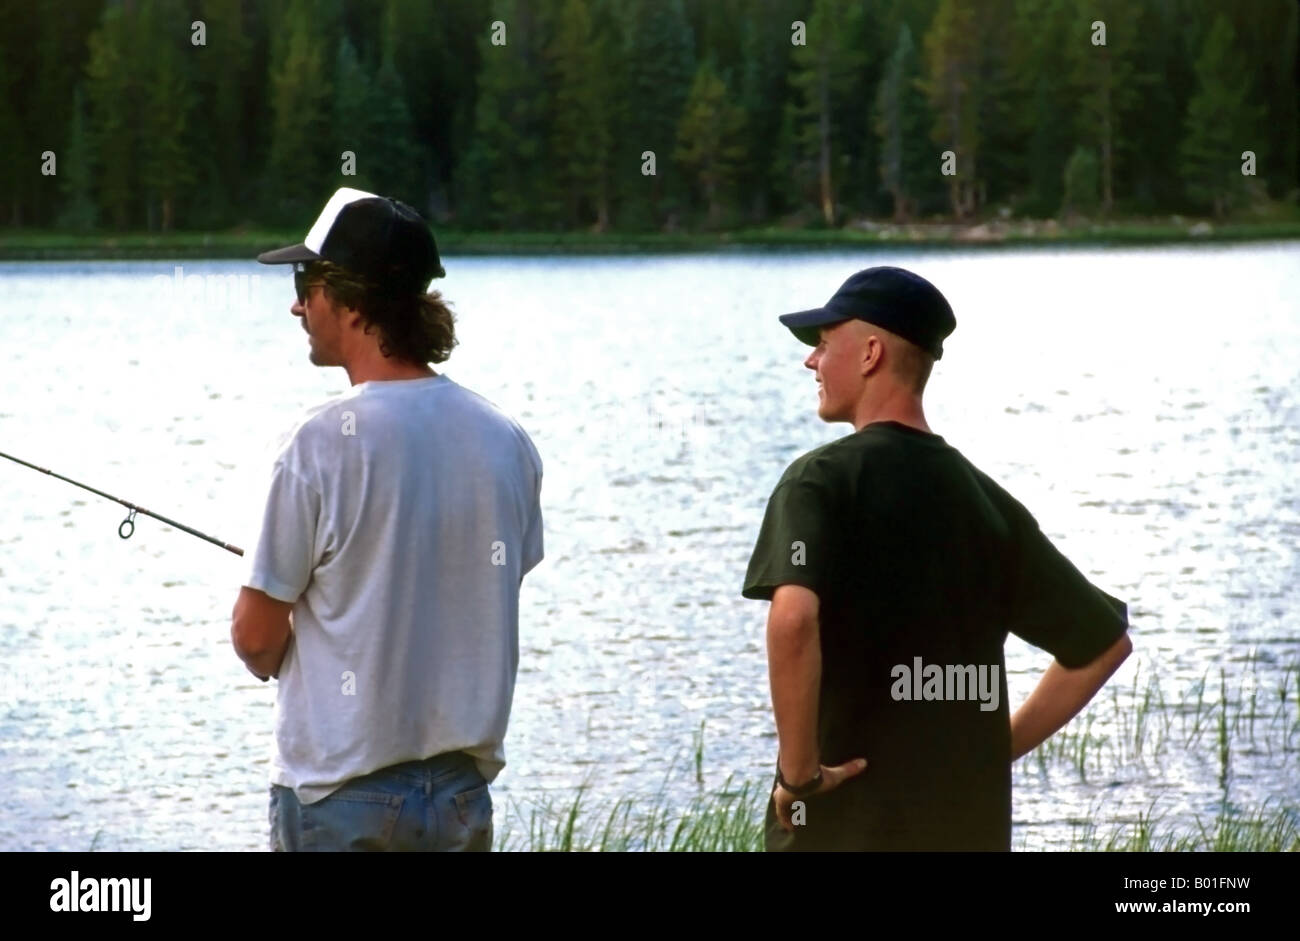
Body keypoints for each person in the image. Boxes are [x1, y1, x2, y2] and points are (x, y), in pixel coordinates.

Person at [742, 266, 1132, 851]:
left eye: (824, 345)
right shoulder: (987, 503)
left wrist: (799, 780)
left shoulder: (817, 482)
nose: (811, 362)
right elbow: (1103, 645)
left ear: (871, 352)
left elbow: (793, 621)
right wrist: (990, 750)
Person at [230, 187, 544, 852]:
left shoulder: (315, 444)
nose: (296, 302)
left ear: (351, 299)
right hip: (461, 800)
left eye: (305, 281)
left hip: (340, 800)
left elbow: (256, 638)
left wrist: (307, 649)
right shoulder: (506, 440)